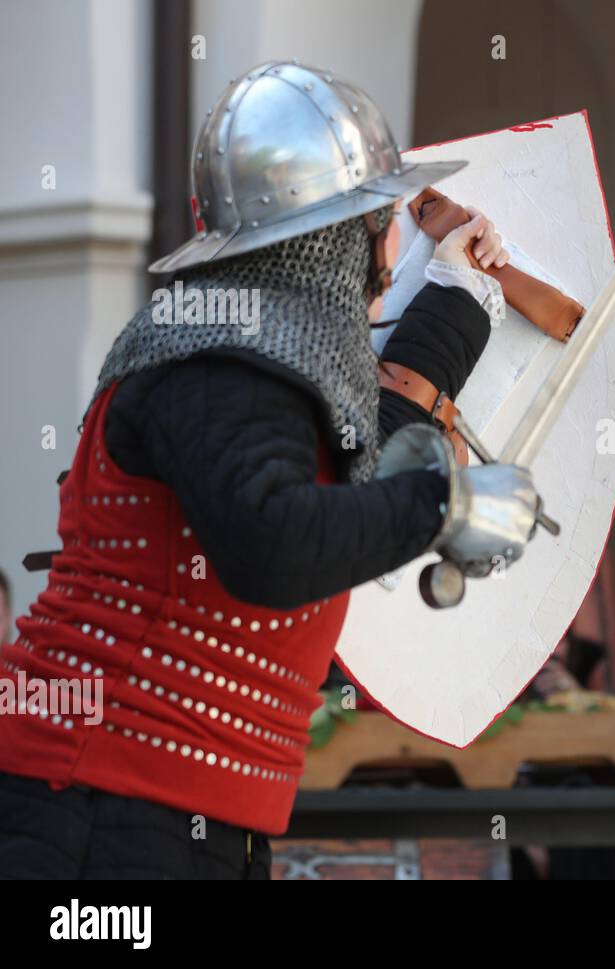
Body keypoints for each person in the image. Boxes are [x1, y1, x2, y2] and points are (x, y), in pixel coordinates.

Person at [0, 61, 541, 879]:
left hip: (167, 811)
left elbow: (356, 479)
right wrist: (446, 504)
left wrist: (457, 296)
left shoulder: (250, 348)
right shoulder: (218, 357)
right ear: (352, 234)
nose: (395, 242)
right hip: (98, 807)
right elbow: (273, 541)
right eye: (385, 218)